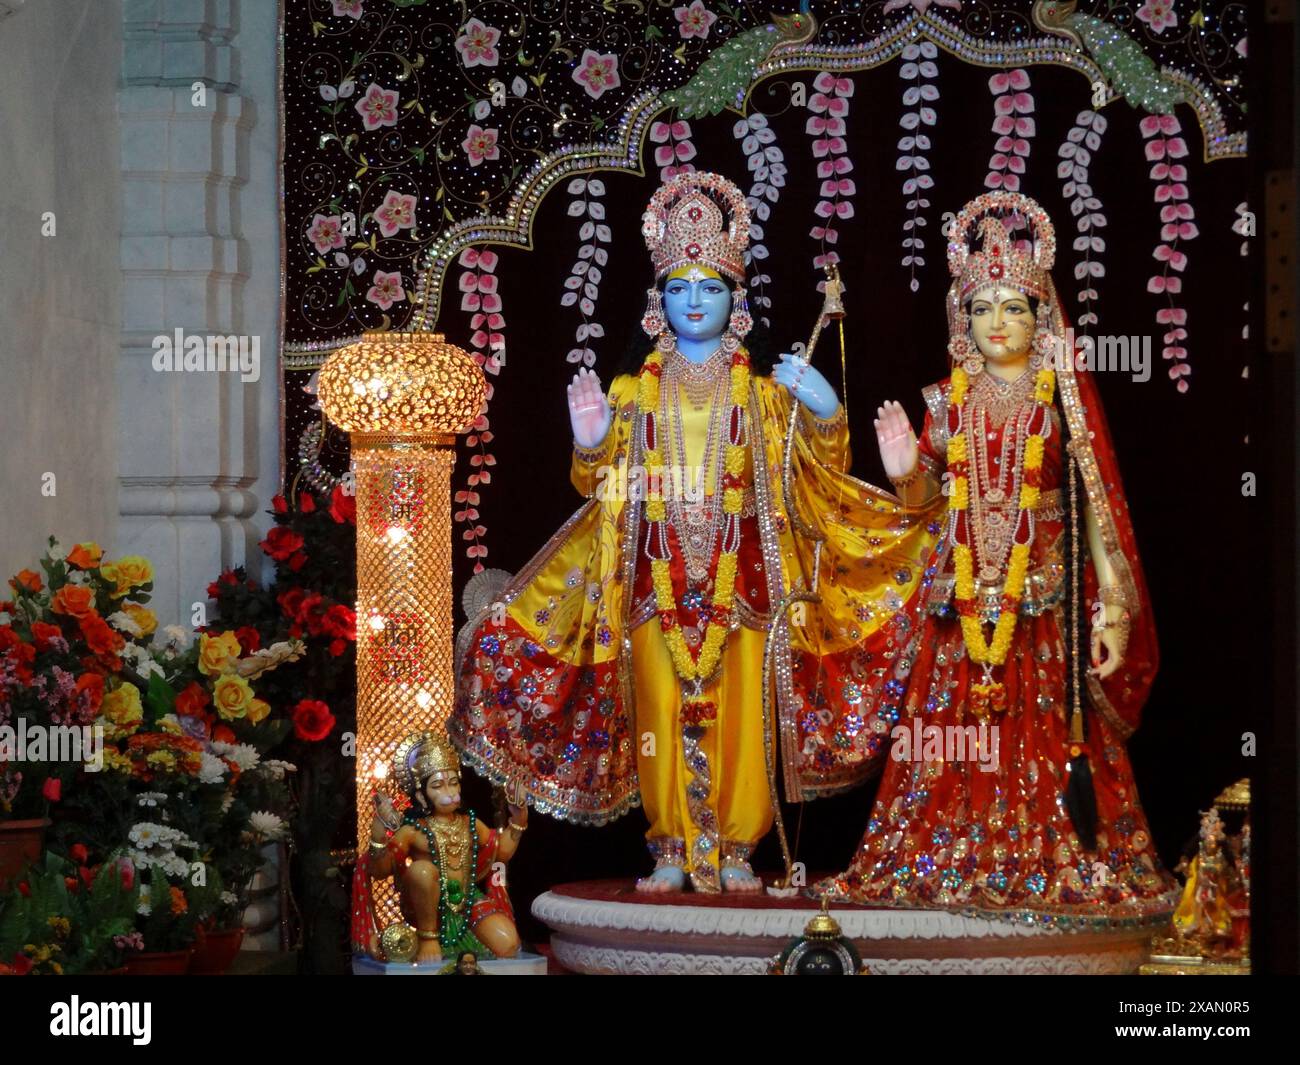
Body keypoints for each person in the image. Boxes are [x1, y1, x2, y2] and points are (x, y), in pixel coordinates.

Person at [451, 171, 939, 892]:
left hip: (743, 580)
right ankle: (671, 846)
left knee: (743, 717)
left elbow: (815, 469)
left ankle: (738, 848)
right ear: (658, 303)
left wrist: (828, 411)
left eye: (710, 288)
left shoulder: (766, 387)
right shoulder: (631, 388)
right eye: (679, 289)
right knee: (658, 706)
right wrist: (590, 442)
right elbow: (597, 487)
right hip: (655, 578)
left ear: (735, 302)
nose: (694, 301)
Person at [820, 191, 1178, 922]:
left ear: (1039, 316)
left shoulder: (1061, 399)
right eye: (981, 308)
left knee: (1043, 727)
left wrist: (1111, 609)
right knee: (950, 733)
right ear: (963, 318)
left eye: (1013, 306)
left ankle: (1050, 856)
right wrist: (902, 472)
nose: (997, 323)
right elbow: (924, 499)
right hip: (958, 601)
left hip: (1042, 598)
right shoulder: (946, 400)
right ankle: (946, 853)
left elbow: (1096, 506)